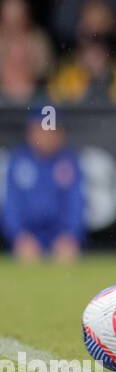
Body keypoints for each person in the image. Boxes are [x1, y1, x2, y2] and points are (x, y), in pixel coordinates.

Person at [4, 108, 84, 262]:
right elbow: (11, 205)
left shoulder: (68, 161)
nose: (45, 137)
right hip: (28, 236)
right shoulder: (18, 160)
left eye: (50, 132)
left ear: (60, 135)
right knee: (26, 259)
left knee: (66, 258)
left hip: (60, 235)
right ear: (30, 133)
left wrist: (71, 235)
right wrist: (18, 235)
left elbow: (76, 204)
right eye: (40, 131)